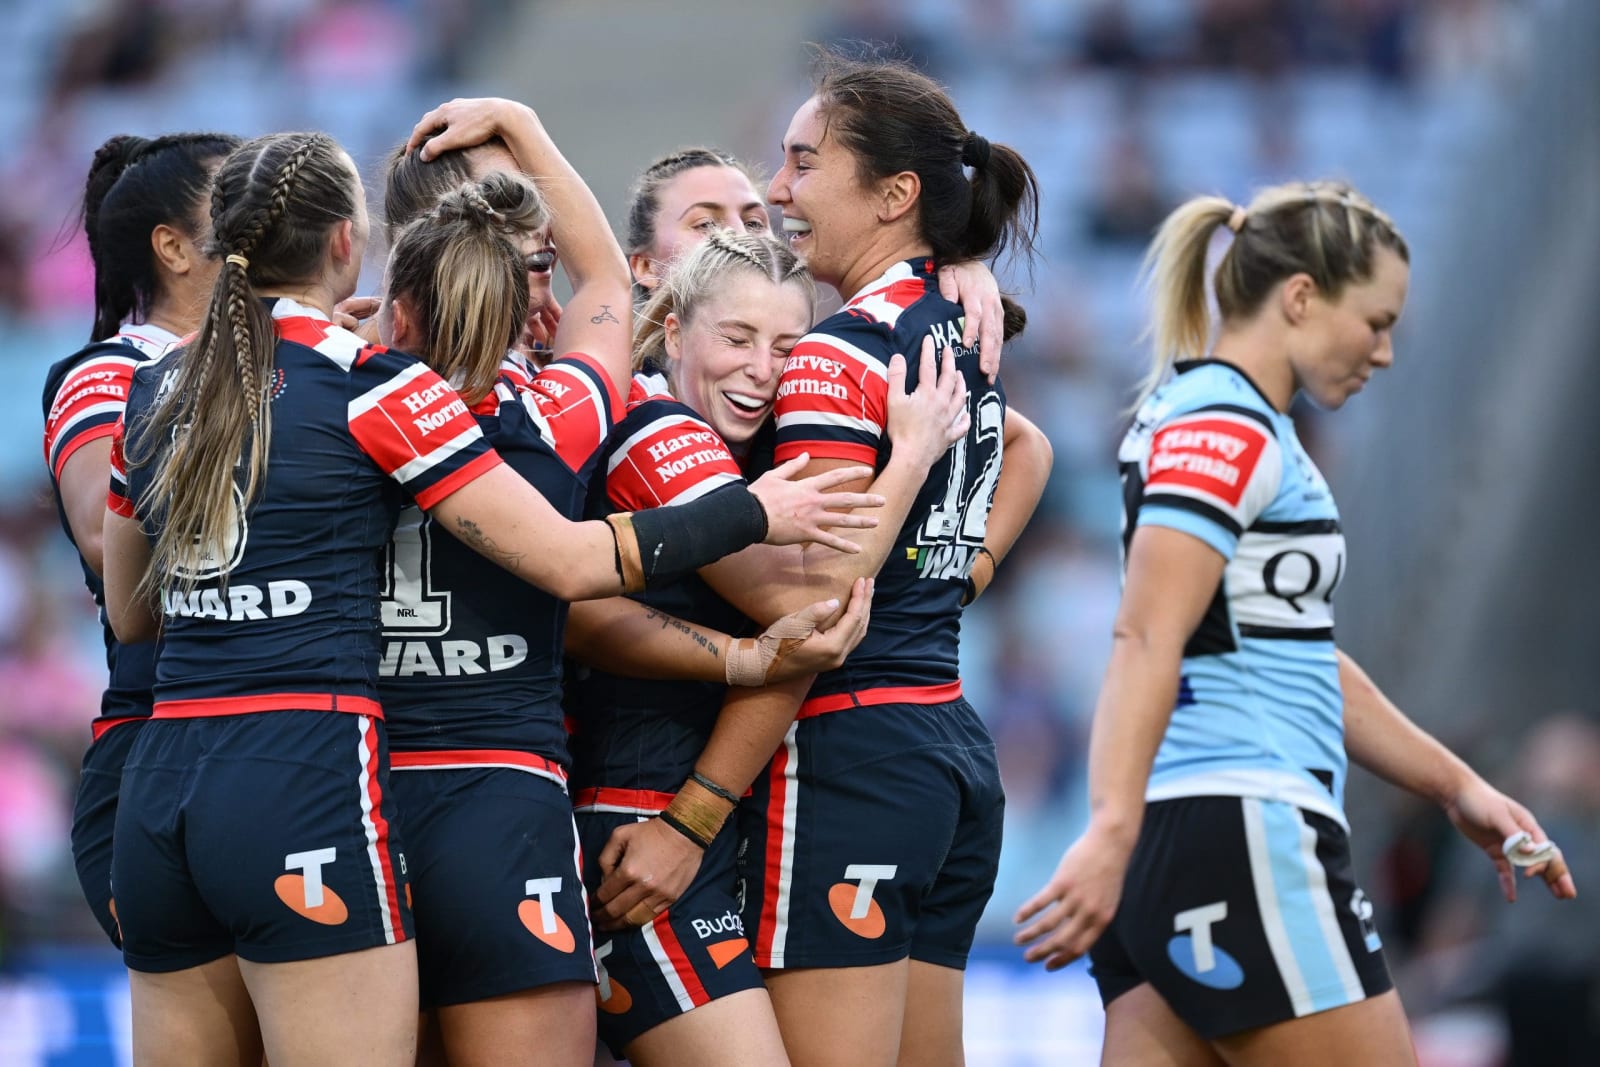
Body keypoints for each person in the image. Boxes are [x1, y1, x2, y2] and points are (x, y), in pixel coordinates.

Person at [98, 127, 885, 1067]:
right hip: (371, 786)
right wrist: (748, 515)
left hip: (169, 784)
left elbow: (131, 611)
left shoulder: (153, 388)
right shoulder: (405, 394)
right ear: (349, 242)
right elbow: (566, 555)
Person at [1012, 181, 1577, 1067]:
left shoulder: (1212, 417)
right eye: (1376, 321)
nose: (1385, 353)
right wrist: (1109, 826)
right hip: (1242, 824)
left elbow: (1292, 650)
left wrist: (1454, 782)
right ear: (1302, 297)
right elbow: (1146, 633)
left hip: (1185, 836)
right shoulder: (1226, 424)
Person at [609, 47, 1048, 1067]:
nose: (775, 191)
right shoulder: (952, 325)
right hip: (945, 743)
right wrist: (946, 585)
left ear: (894, 194)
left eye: (803, 164)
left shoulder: (839, 349)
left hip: (847, 753)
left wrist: (697, 812)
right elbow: (1032, 450)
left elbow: (808, 603)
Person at [563, 227, 969, 1066]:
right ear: (673, 331)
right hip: (638, 828)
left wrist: (961, 278)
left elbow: (1028, 449)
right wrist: (914, 453)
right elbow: (812, 611)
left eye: (789, 346)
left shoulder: (766, 447)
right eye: (737, 338)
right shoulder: (655, 428)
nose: (762, 368)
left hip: (711, 830)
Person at [40, 131, 240, 948]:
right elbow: (99, 533)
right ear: (174, 247)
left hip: (279, 739)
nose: (267, 219)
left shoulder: (304, 363)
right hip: (159, 741)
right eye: (237, 205)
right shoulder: (109, 373)